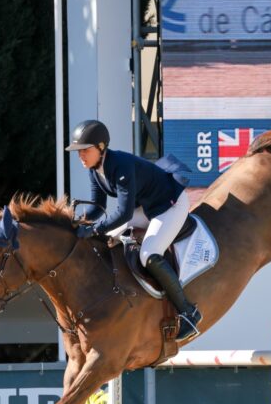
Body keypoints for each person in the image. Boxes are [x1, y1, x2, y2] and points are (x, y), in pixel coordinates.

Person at [66, 119, 202, 341]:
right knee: (108, 238)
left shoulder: (121, 166)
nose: (80, 156)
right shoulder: (94, 169)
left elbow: (123, 214)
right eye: (78, 151)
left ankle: (188, 312)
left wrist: (94, 229)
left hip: (169, 205)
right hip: (147, 207)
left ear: (101, 147)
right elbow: (97, 209)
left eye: (84, 150)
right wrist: (78, 223)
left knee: (149, 254)